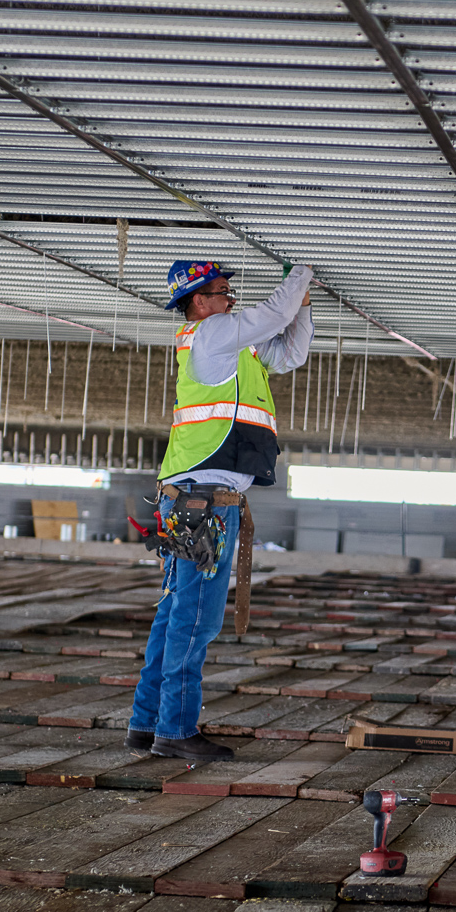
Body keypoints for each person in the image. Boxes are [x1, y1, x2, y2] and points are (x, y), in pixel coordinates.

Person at [127, 259, 313, 761]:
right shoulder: (211, 335)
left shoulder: (233, 352)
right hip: (203, 503)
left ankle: (146, 724)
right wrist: (303, 271)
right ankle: (175, 730)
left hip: (192, 498)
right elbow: (274, 313)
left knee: (173, 615)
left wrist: (303, 308)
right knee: (195, 618)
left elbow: (289, 352)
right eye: (223, 292)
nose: (231, 300)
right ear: (199, 301)